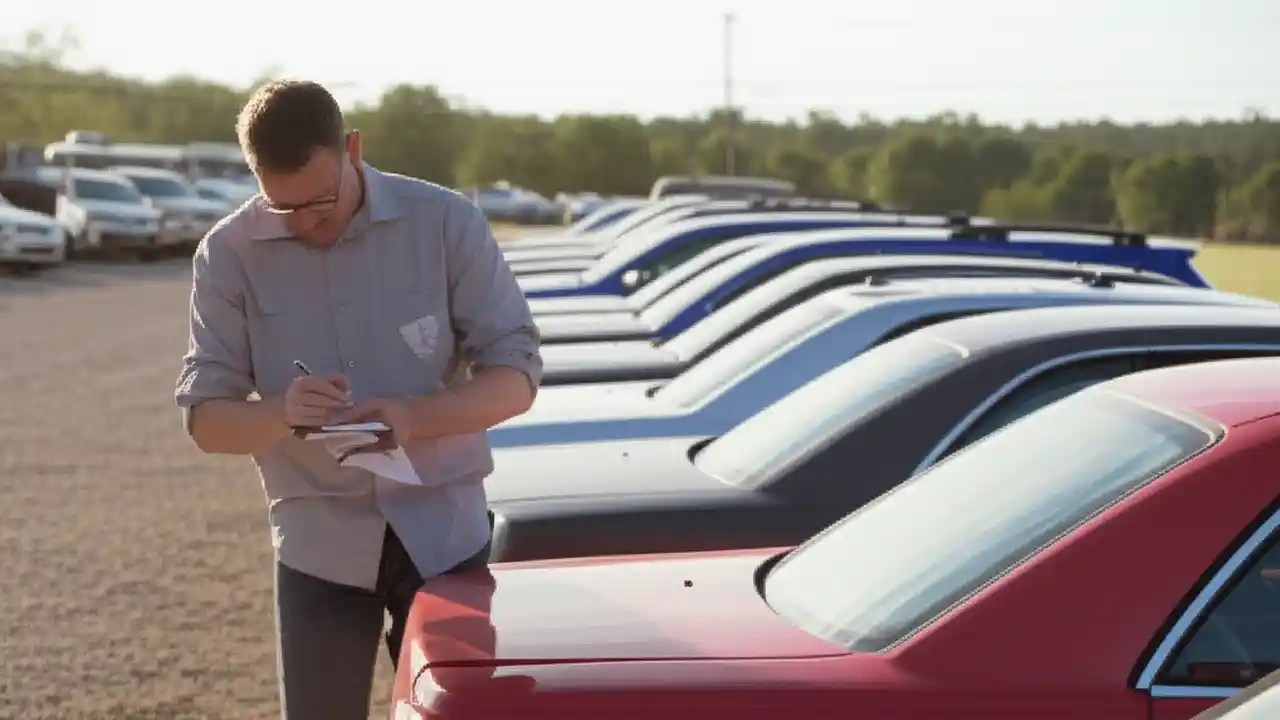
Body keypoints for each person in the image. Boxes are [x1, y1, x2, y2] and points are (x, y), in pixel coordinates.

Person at [173, 79, 542, 719]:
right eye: (283, 208)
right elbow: (207, 421)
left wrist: (413, 417)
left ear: (353, 147)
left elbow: (517, 375)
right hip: (318, 542)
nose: (307, 223)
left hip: (446, 535)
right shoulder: (227, 255)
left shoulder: (447, 222)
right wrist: (281, 412)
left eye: (322, 198)